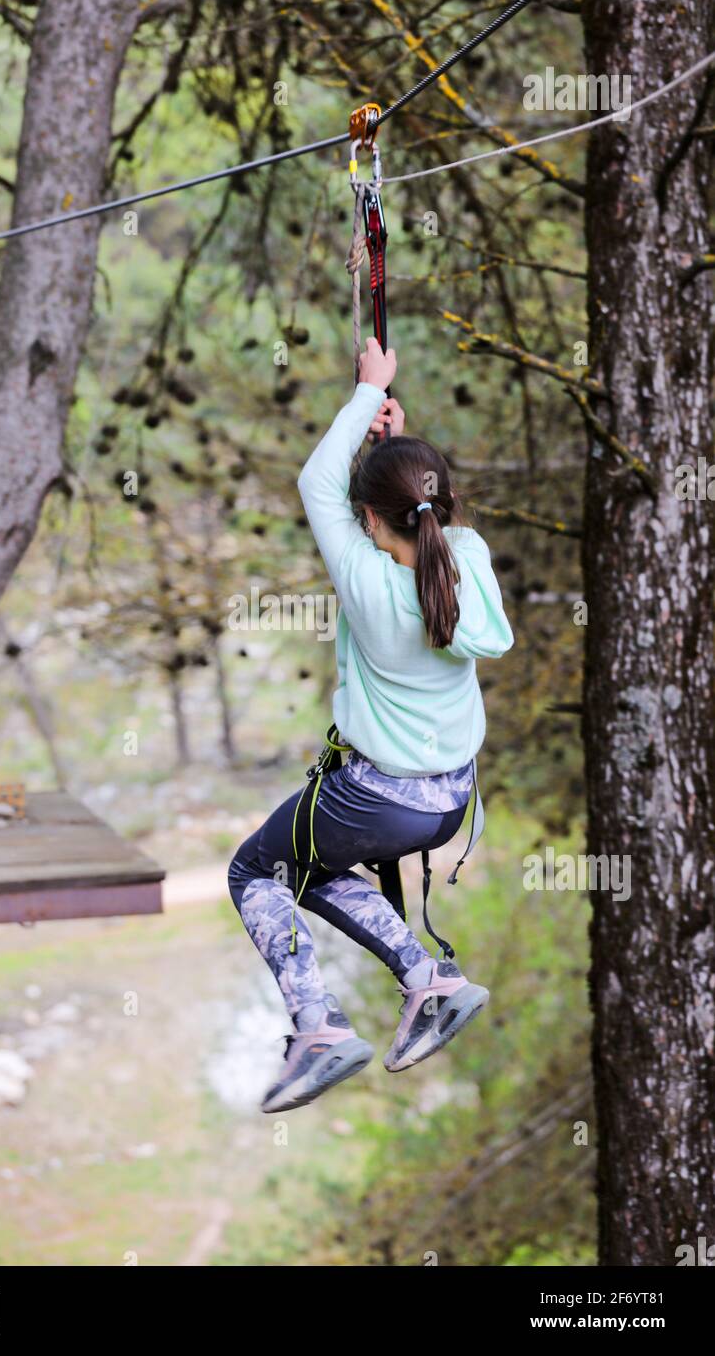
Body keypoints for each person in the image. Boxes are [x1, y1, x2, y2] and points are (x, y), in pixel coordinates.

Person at [228, 338, 514, 1112]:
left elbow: (313, 480)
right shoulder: (467, 558)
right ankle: (429, 980)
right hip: (450, 803)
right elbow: (427, 520)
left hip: (377, 801)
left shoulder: (362, 579)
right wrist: (400, 454)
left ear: (366, 517)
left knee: (255, 871)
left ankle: (319, 1027)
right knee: (307, 863)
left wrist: (368, 391)